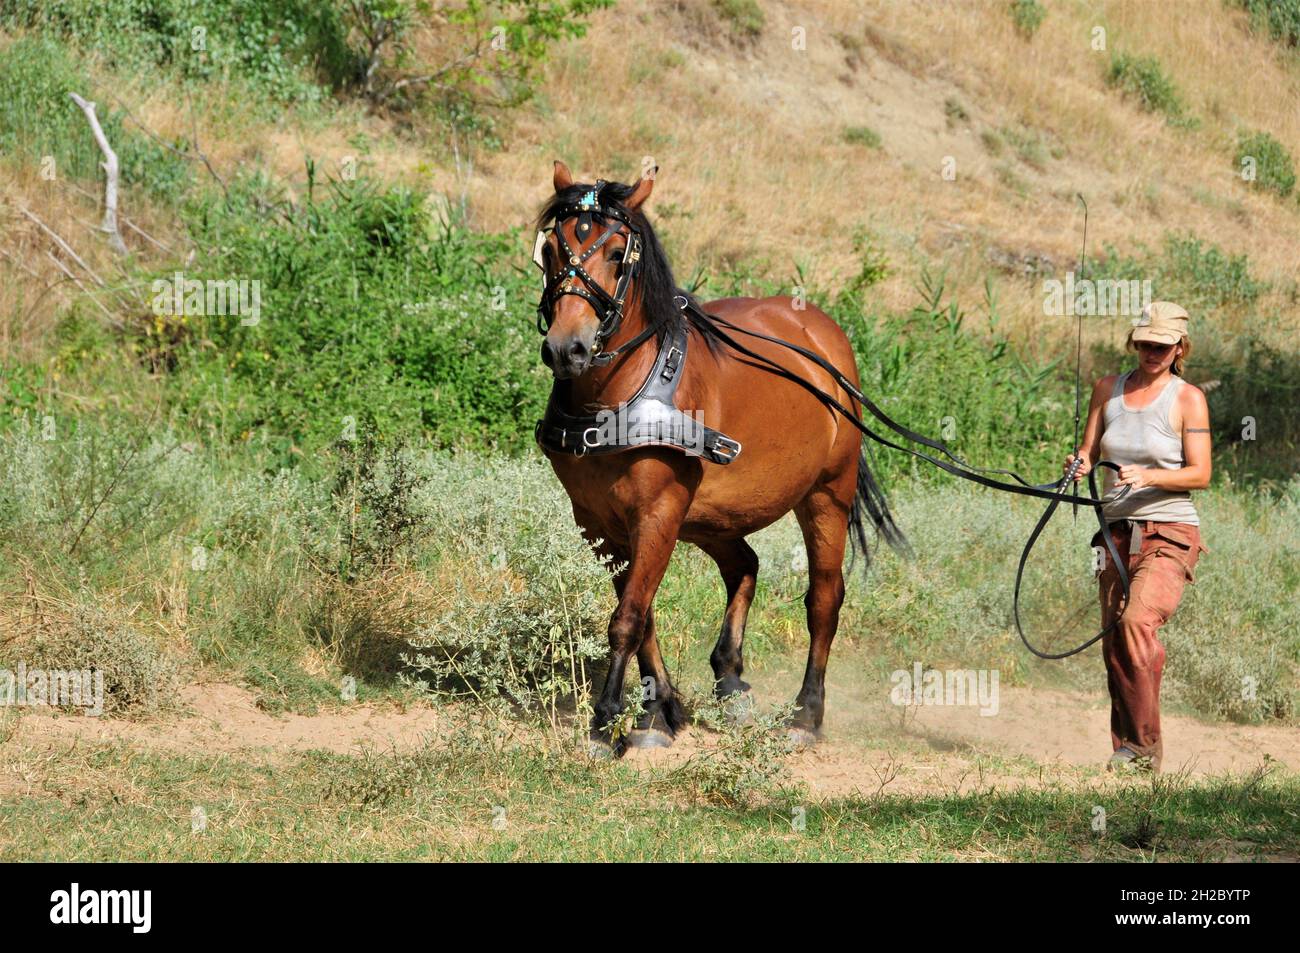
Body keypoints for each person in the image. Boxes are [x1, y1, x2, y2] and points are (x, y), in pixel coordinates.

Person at [1065, 301, 1211, 773]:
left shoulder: (1187, 399)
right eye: (1144, 343)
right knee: (1116, 643)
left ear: (1179, 348)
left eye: (1161, 346)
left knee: (1137, 624)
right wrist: (1078, 463)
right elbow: (1089, 451)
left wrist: (1149, 476)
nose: (1151, 352)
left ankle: (1144, 750)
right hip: (1115, 533)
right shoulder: (1107, 389)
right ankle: (1128, 749)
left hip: (1169, 529)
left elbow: (1201, 473)